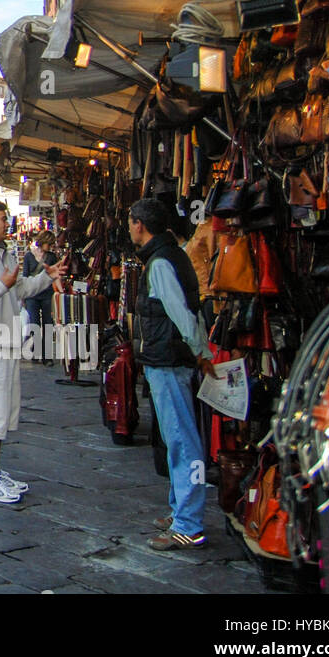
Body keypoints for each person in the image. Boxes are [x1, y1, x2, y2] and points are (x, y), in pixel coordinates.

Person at [0, 200, 66, 503]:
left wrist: (47, 276)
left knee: (2, 410)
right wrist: (1, 286)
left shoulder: (4, 253)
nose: (8, 223)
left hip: (5, 340)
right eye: (4, 219)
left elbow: (20, 289)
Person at [128, 198, 214, 550]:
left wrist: (201, 351)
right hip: (171, 357)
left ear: (140, 225)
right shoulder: (171, 254)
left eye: (131, 222)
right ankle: (181, 510)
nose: (129, 228)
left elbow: (181, 314)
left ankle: (189, 523)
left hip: (168, 359)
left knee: (182, 439)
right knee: (177, 436)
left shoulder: (160, 263)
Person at [23, 231, 59, 366]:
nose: (50, 246)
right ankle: (37, 350)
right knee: (35, 324)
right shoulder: (29, 256)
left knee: (48, 324)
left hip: (47, 294)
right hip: (32, 295)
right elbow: (25, 276)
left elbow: (55, 276)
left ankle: (47, 356)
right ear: (43, 242)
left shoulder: (51, 257)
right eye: (49, 243)